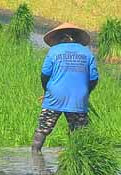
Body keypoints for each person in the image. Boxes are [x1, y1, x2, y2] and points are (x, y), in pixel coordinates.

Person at [33, 22, 99, 152]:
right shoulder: (87, 53)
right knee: (79, 131)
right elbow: (94, 78)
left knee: (43, 128)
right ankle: (77, 158)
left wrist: (47, 91)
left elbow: (45, 74)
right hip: (78, 98)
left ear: (58, 38)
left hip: (54, 96)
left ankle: (36, 159)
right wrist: (86, 92)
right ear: (77, 38)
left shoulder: (54, 51)